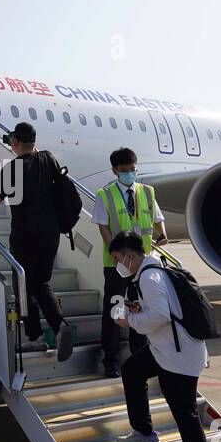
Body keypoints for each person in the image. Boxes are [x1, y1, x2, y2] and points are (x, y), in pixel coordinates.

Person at [108, 231, 221, 442]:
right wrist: (136, 311)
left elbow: (159, 315)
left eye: (117, 259)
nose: (117, 265)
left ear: (130, 256)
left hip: (177, 357)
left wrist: (129, 322)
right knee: (133, 370)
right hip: (167, 350)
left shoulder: (149, 277)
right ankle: (144, 433)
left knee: (186, 418)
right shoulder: (154, 269)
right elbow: (163, 310)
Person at [0, 122, 73, 362]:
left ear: (15, 142)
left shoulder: (12, 168)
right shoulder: (49, 159)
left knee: (24, 286)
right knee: (42, 283)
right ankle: (60, 327)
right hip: (51, 233)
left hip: (25, 235)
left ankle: (35, 338)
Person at [94, 147, 167, 378]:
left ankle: (140, 354)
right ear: (115, 170)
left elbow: (156, 218)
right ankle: (111, 358)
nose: (129, 174)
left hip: (142, 264)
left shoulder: (147, 192)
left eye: (133, 170)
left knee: (141, 308)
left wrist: (162, 233)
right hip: (116, 265)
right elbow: (103, 226)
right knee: (115, 309)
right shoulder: (104, 194)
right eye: (124, 170)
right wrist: (116, 253)